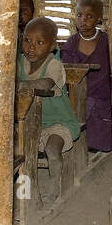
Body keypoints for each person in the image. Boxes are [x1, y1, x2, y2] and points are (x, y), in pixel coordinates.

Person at [19, 16, 81, 204]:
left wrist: (18, 85)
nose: (31, 47)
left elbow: (45, 84)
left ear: (52, 46)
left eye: (39, 42)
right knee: (15, 150)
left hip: (58, 124)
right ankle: (24, 187)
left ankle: (55, 185)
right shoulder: (18, 63)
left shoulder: (53, 65)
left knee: (52, 148)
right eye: (27, 40)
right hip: (29, 125)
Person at [60, 0, 112, 153]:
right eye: (79, 15)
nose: (83, 20)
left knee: (101, 144)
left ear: (99, 19)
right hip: (76, 99)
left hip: (102, 99)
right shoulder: (71, 43)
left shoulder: (106, 42)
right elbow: (66, 72)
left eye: (89, 16)